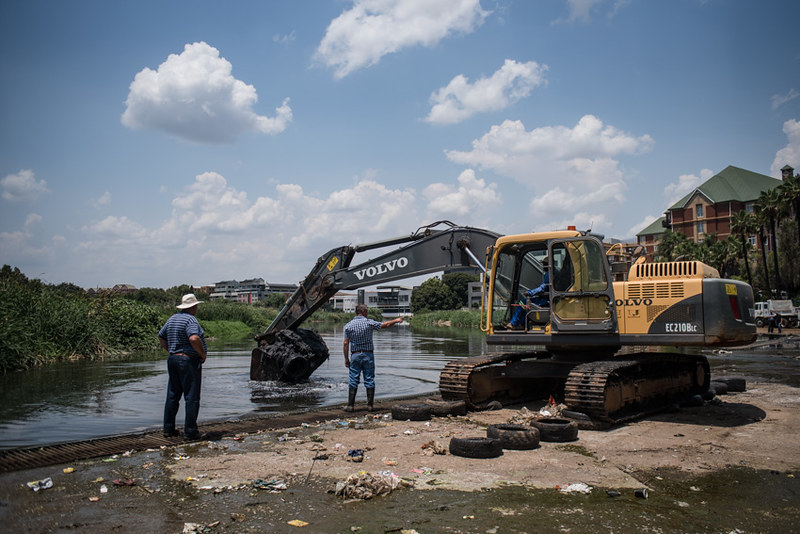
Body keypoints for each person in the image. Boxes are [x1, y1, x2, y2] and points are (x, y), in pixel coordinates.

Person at [158, 293, 207, 440]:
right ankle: (190, 432)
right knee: (191, 397)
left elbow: (161, 336)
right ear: (192, 307)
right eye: (196, 306)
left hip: (173, 359)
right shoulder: (191, 320)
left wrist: (171, 350)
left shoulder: (172, 318)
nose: (197, 308)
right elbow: (193, 337)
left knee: (172, 395)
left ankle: (168, 429)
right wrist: (202, 354)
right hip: (188, 361)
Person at [343, 304, 404, 412]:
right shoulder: (369, 322)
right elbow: (385, 325)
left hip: (355, 355)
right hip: (368, 355)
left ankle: (350, 406)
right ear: (364, 312)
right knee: (369, 379)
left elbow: (345, 343)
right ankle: (370, 406)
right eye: (367, 311)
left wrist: (346, 358)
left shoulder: (348, 325)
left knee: (353, 379)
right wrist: (396, 320)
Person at [508, 258, 550, 329]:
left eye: (544, 264)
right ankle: (521, 324)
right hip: (547, 298)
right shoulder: (553, 273)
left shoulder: (549, 274)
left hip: (545, 300)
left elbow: (542, 288)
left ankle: (514, 323)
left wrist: (529, 292)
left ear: (547, 265)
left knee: (523, 302)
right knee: (526, 306)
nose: (543, 266)